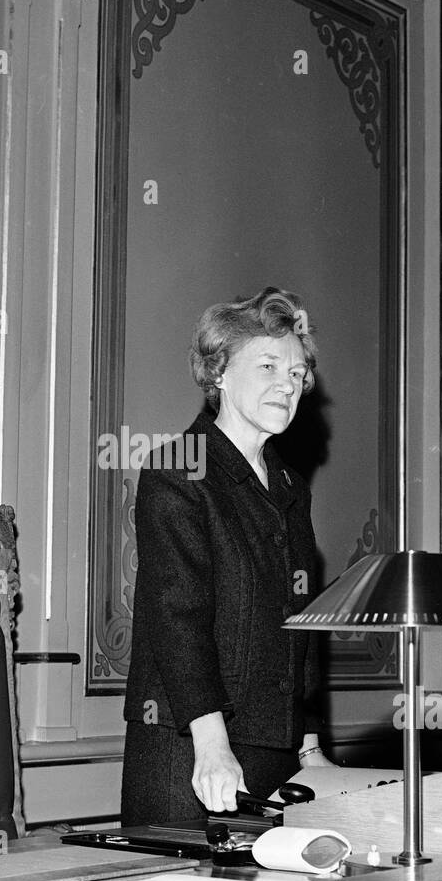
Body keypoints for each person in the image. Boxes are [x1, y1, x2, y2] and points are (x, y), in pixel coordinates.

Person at [121, 285, 331, 825]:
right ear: (218, 372)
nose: (287, 385)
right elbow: (176, 619)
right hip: (192, 749)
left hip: (274, 753)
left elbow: (302, 630)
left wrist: (308, 748)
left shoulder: (288, 485)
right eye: (267, 366)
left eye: (295, 373)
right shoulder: (179, 471)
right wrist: (211, 745)